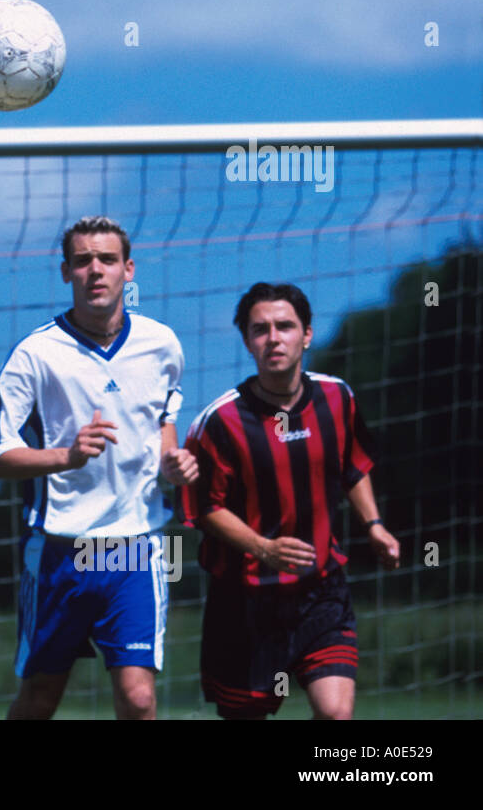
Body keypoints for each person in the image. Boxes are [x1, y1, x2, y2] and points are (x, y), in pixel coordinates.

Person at [0, 216, 197, 720]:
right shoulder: (35, 355)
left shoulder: (163, 345)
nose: (95, 270)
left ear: (128, 269)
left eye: (107, 259)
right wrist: (66, 456)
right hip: (59, 552)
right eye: (82, 261)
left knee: (139, 699)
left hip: (136, 548)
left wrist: (173, 460)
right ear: (65, 272)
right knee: (40, 700)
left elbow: (163, 420)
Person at [178, 282, 399, 720]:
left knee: (336, 713)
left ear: (307, 335)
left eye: (285, 326)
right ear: (246, 340)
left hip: (322, 591)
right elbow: (204, 508)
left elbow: (352, 467)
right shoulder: (219, 421)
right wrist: (264, 548)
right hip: (245, 600)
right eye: (260, 329)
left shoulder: (338, 397)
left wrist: (374, 525)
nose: (273, 338)